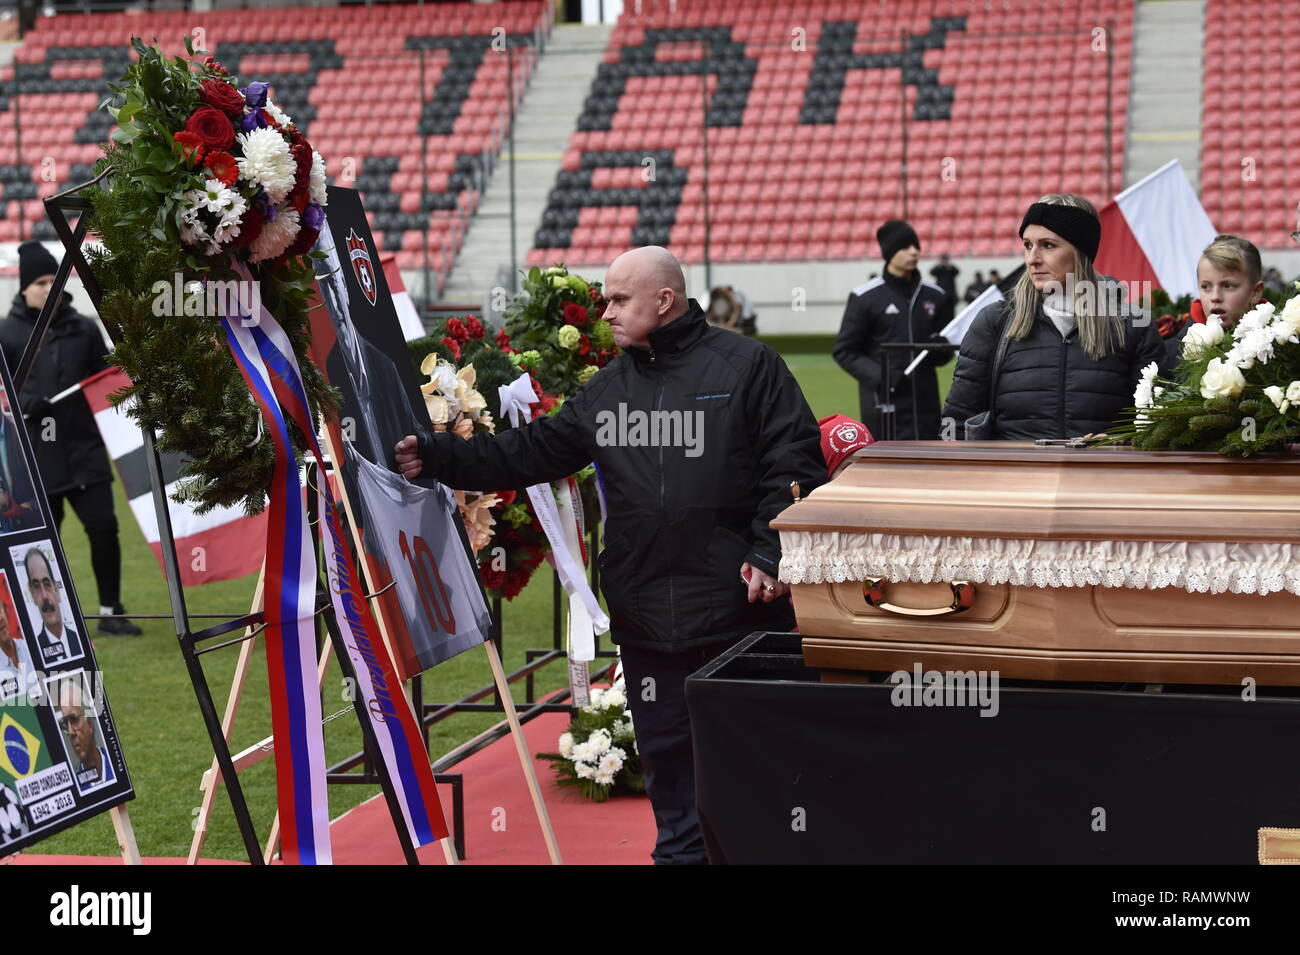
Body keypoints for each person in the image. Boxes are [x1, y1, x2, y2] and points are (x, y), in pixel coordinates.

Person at [394, 246, 826, 865]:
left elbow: (796, 464)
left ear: (664, 300)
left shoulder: (748, 366)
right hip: (647, 621)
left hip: (739, 618)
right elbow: (528, 453)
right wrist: (436, 456)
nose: (607, 313)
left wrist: (768, 549)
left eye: (620, 300)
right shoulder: (608, 390)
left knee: (756, 781)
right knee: (672, 790)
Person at [942, 193, 1166, 440]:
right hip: (1012, 476)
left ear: (1081, 253)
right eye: (1028, 245)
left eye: (1048, 245)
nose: (1032, 259)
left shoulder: (1133, 325)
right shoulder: (994, 321)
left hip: (1103, 476)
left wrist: (1121, 444)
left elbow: (1159, 426)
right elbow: (956, 423)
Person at [0, 242, 140, 636]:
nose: (48, 288)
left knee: (103, 529)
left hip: (85, 450)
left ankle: (111, 611)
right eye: (40, 282)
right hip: (34, 456)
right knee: (41, 543)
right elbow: (2, 390)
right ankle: (42, 619)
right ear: (24, 288)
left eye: (54, 281)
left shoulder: (85, 328)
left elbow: (105, 381)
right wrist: (28, 402)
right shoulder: (6, 334)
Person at [832, 219, 953, 440]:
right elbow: (844, 351)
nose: (914, 252)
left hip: (927, 408)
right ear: (889, 252)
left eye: (916, 246)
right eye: (906, 247)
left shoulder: (935, 295)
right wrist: (882, 376)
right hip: (883, 406)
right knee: (887, 469)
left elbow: (943, 350)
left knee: (927, 468)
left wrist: (942, 350)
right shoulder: (865, 297)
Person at [1164, 234, 1265, 368]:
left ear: (1255, 292)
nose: (1215, 297)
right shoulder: (1172, 355)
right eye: (1206, 286)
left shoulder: (1283, 348)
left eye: (1228, 286)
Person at [25, 546, 84, 668]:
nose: (44, 596)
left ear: (56, 590)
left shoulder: (80, 640)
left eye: (47, 584)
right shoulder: (32, 651)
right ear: (32, 595)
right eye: (36, 587)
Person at [55, 684, 115, 793]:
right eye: (64, 724)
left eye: (74, 720)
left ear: (89, 724)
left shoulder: (114, 763)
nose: (70, 732)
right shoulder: (74, 787)